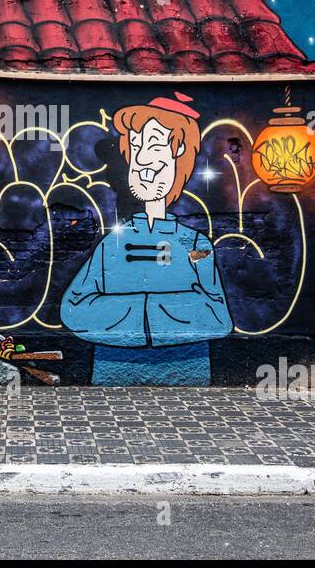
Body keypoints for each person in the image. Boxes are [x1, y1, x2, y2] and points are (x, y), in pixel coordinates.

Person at [60, 93, 233, 385]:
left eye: (153, 145)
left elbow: (218, 315)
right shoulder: (111, 244)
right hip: (108, 378)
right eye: (136, 146)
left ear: (178, 152)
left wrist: (137, 313)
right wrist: (153, 311)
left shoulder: (194, 244)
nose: (141, 159)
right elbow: (74, 308)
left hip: (190, 379)